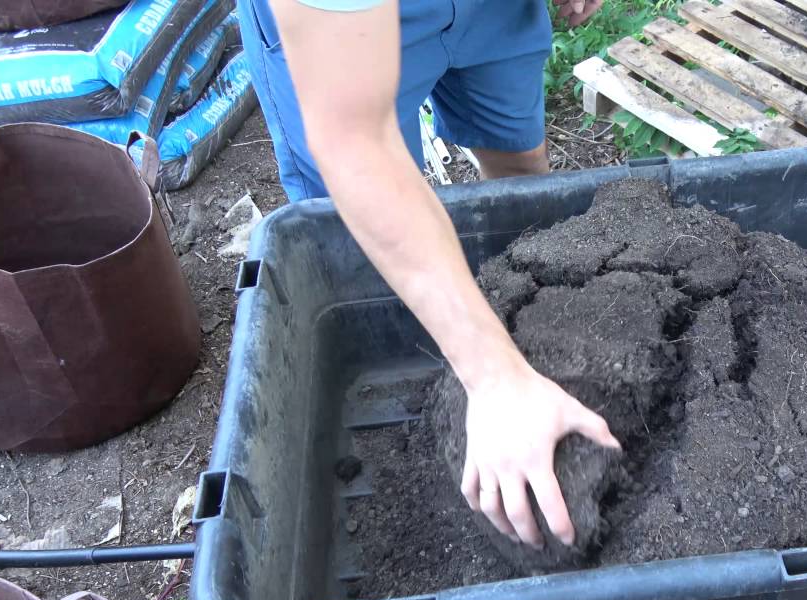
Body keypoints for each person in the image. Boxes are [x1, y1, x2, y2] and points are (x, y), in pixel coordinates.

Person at [237, 0, 617, 550]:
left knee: (520, 175)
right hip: (345, 24)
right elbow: (356, 144)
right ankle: (466, 367)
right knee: (361, 250)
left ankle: (513, 343)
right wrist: (495, 380)